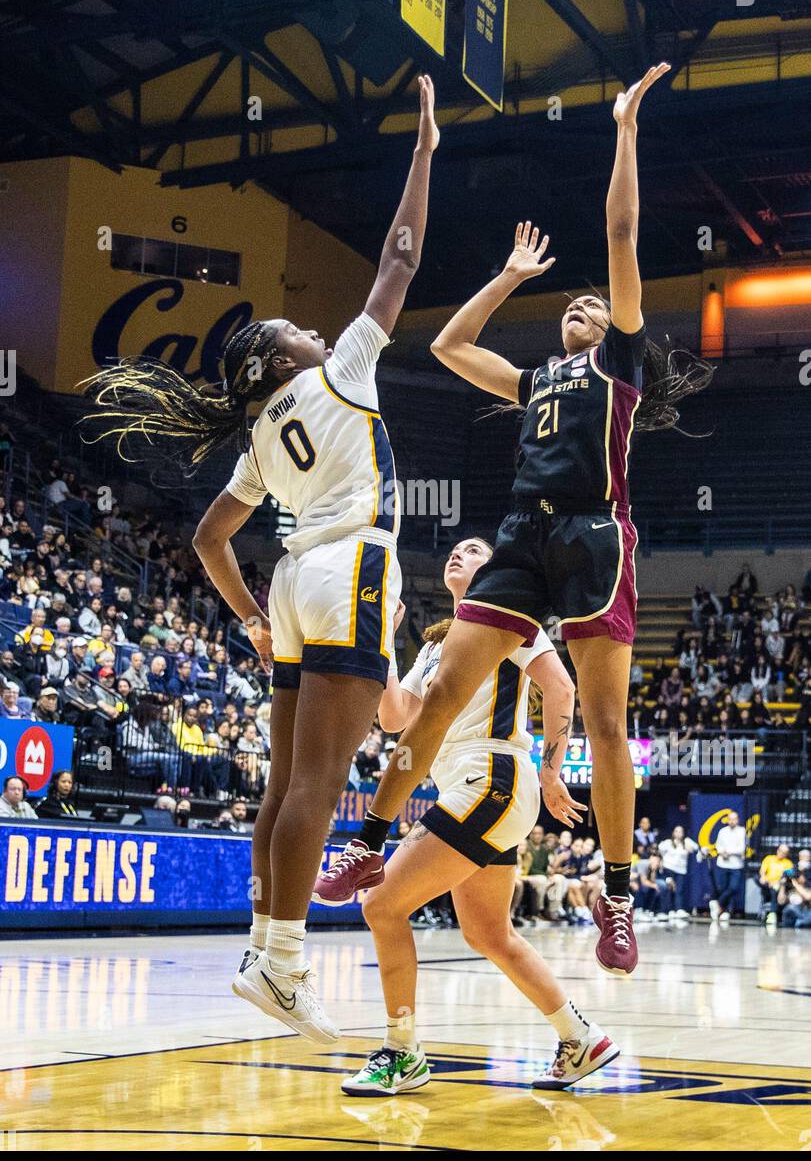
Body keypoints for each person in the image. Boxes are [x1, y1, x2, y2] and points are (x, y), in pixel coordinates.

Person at [319, 64, 712, 979]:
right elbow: (450, 345)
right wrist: (506, 276)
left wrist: (624, 128)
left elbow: (620, 231)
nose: (580, 305)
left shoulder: (617, 363)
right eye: (570, 303)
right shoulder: (533, 379)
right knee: (440, 697)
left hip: (593, 535)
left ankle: (617, 895)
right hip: (520, 537)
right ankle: (370, 841)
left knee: (607, 725)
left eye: (591, 304)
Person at [82, 75, 440, 1043]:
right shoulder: (341, 372)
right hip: (348, 569)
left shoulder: (257, 438)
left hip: (288, 583)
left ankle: (264, 950)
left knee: (285, 784)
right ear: (283, 359)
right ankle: (282, 965)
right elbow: (401, 256)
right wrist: (422, 150)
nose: (317, 331)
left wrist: (247, 616)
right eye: (299, 332)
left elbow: (209, 537)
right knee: (318, 785)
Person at [325, 536, 613, 1095]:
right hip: (470, 787)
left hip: (492, 777)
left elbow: (560, 685)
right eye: (455, 549)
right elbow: (394, 718)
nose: (459, 553)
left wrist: (553, 770)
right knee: (488, 932)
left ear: (494, 567)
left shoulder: (508, 617)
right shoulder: (436, 645)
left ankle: (401, 1052)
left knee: (381, 903)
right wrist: (384, 639)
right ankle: (581, 1038)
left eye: (476, 549)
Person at [707, 809, 746, 922]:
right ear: (727, 820)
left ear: (738, 820)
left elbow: (741, 848)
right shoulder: (722, 831)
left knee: (733, 887)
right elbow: (718, 845)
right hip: (723, 864)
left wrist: (728, 852)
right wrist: (721, 852)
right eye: (730, 819)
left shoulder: (742, 831)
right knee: (722, 888)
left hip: (736, 865)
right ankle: (724, 911)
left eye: (734, 819)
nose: (732, 821)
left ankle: (717, 904)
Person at [657, 825, 700, 921]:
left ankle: (678, 909)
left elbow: (696, 848)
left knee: (679, 890)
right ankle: (669, 910)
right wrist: (661, 861)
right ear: (673, 833)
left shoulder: (687, 841)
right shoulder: (668, 842)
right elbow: (659, 849)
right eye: (676, 831)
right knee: (669, 888)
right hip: (669, 868)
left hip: (681, 870)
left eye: (680, 831)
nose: (678, 833)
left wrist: (691, 848)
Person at [759, 844, 793, 925]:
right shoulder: (769, 858)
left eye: (784, 852)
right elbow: (763, 870)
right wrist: (763, 877)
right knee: (757, 879)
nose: (781, 853)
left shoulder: (788, 863)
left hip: (778, 884)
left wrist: (776, 882)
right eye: (780, 851)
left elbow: (787, 876)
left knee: (775, 889)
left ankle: (772, 913)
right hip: (766, 883)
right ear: (777, 850)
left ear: (787, 854)